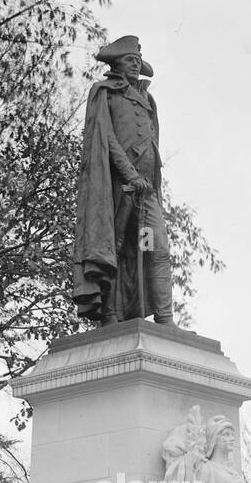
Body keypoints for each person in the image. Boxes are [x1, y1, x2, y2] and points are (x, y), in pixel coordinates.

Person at [72, 35, 174, 324]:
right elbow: (106, 138)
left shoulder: (147, 99)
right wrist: (129, 173)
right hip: (115, 187)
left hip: (147, 190)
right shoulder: (106, 93)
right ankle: (111, 316)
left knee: (153, 247)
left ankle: (165, 318)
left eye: (138, 61)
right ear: (117, 64)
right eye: (130, 60)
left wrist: (147, 179)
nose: (135, 65)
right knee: (113, 249)